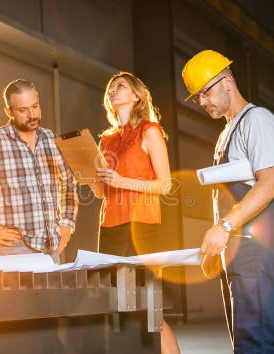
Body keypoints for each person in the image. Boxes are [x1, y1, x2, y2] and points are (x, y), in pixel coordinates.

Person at [182, 49, 274, 353]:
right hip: (239, 245)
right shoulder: (227, 131)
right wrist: (219, 244)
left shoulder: (257, 121)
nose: (202, 102)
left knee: (258, 340)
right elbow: (228, 195)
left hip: (257, 245)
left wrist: (224, 227)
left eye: (205, 92)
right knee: (245, 339)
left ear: (227, 82)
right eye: (196, 98)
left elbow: (269, 185)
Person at [89, 72, 180, 354]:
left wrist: (122, 181)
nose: (113, 90)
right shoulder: (105, 141)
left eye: (121, 86)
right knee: (114, 305)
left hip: (142, 226)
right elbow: (102, 192)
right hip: (110, 228)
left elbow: (166, 185)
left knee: (148, 308)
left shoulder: (150, 131)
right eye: (110, 87)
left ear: (137, 95)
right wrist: (90, 176)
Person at [0, 79, 78, 263]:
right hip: (14, 251)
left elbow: (68, 183)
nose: (32, 115)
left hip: (51, 252)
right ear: (9, 111)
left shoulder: (51, 139)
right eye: (23, 110)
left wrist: (66, 225)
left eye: (35, 106)